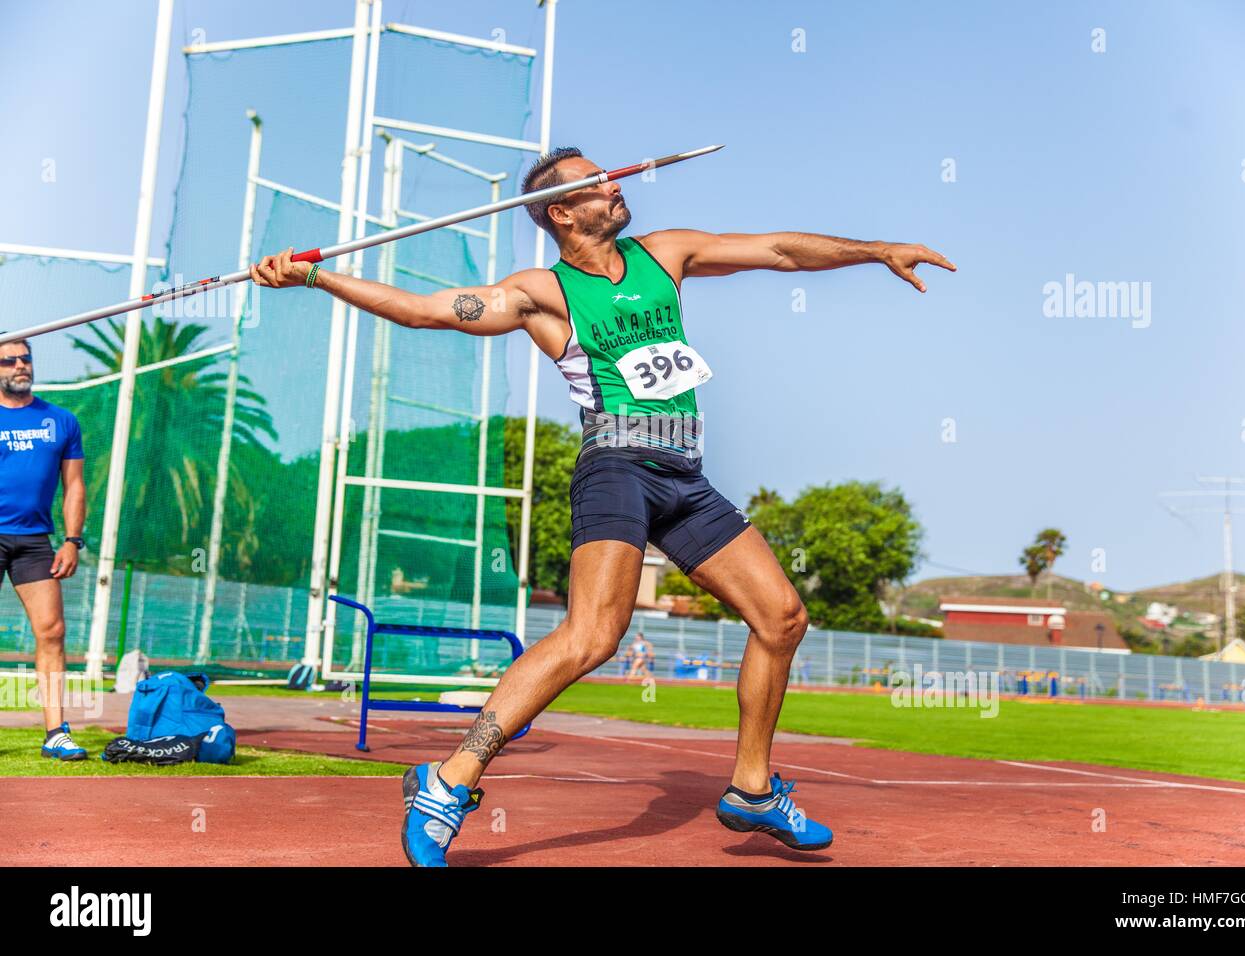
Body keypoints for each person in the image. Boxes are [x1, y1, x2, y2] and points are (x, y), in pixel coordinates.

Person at [251, 146, 955, 866]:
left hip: (685, 473)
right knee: (593, 634)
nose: (615, 185)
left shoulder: (666, 254)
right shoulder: (542, 293)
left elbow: (778, 250)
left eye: (611, 176)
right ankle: (446, 781)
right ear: (562, 212)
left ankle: (750, 788)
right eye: (596, 183)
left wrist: (876, 251)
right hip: (615, 465)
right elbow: (431, 311)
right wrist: (315, 274)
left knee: (782, 617)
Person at [0, 337, 88, 760]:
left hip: (35, 540)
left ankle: (56, 731)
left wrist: (72, 540)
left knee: (52, 632)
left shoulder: (61, 421)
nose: (21, 366)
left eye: (25, 358)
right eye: (10, 360)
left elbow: (74, 486)